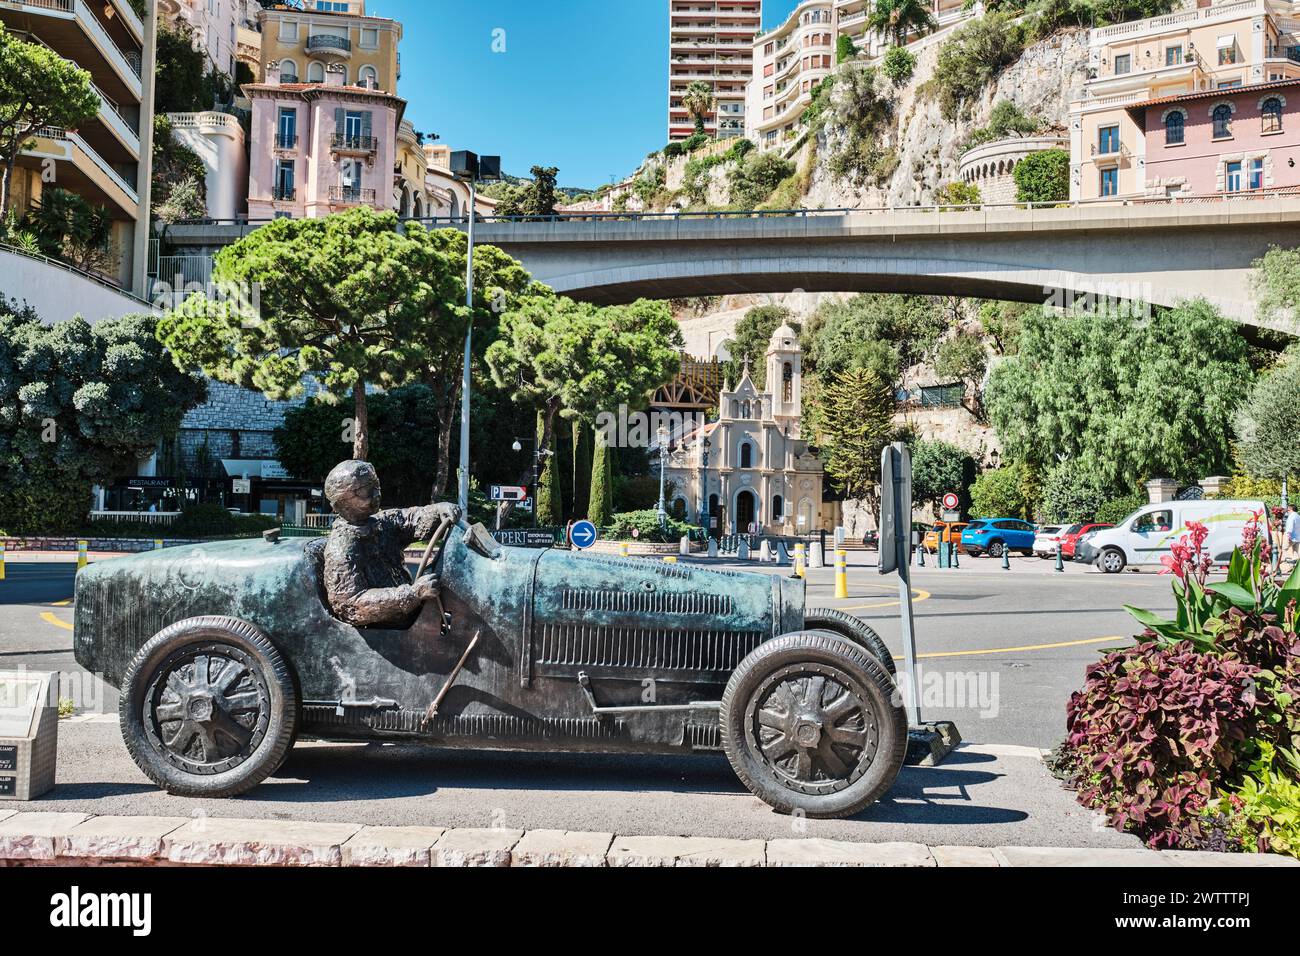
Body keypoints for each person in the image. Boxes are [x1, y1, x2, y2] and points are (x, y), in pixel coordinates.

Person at [321, 459, 461, 628]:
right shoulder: (341, 550)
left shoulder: (383, 522)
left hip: (414, 619)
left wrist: (439, 511)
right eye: (365, 490)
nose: (376, 494)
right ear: (341, 502)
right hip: (385, 633)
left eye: (376, 485)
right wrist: (412, 594)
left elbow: (412, 519)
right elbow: (351, 604)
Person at [1285, 502, 1300, 570]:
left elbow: (1290, 527)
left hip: (1291, 536)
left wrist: (1288, 536)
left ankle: (1290, 564)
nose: (1287, 512)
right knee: (1295, 552)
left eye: (1288, 510)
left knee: (1284, 549)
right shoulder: (1298, 516)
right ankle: (1295, 567)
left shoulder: (1291, 516)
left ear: (1291, 509)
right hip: (1298, 537)